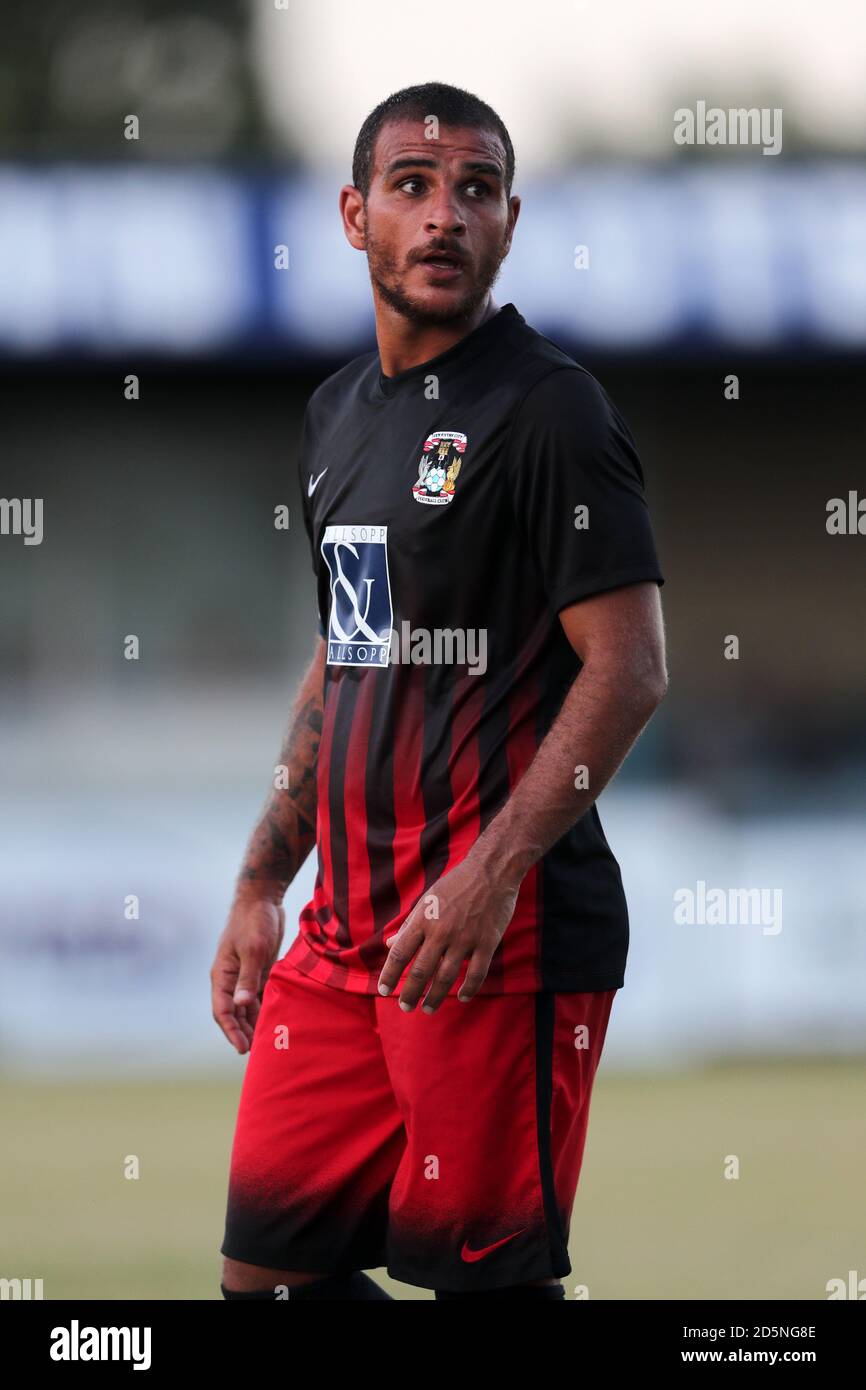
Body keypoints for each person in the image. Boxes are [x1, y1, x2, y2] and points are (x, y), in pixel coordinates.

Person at [213, 81, 667, 1301]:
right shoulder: (333, 418)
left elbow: (630, 667)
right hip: (343, 941)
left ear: (509, 221)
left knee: (487, 1287)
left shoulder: (549, 410)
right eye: (412, 187)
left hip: (495, 942)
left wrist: (490, 872)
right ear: (356, 214)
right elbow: (343, 656)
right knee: (266, 1274)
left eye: (474, 189)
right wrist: (264, 877)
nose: (443, 215)